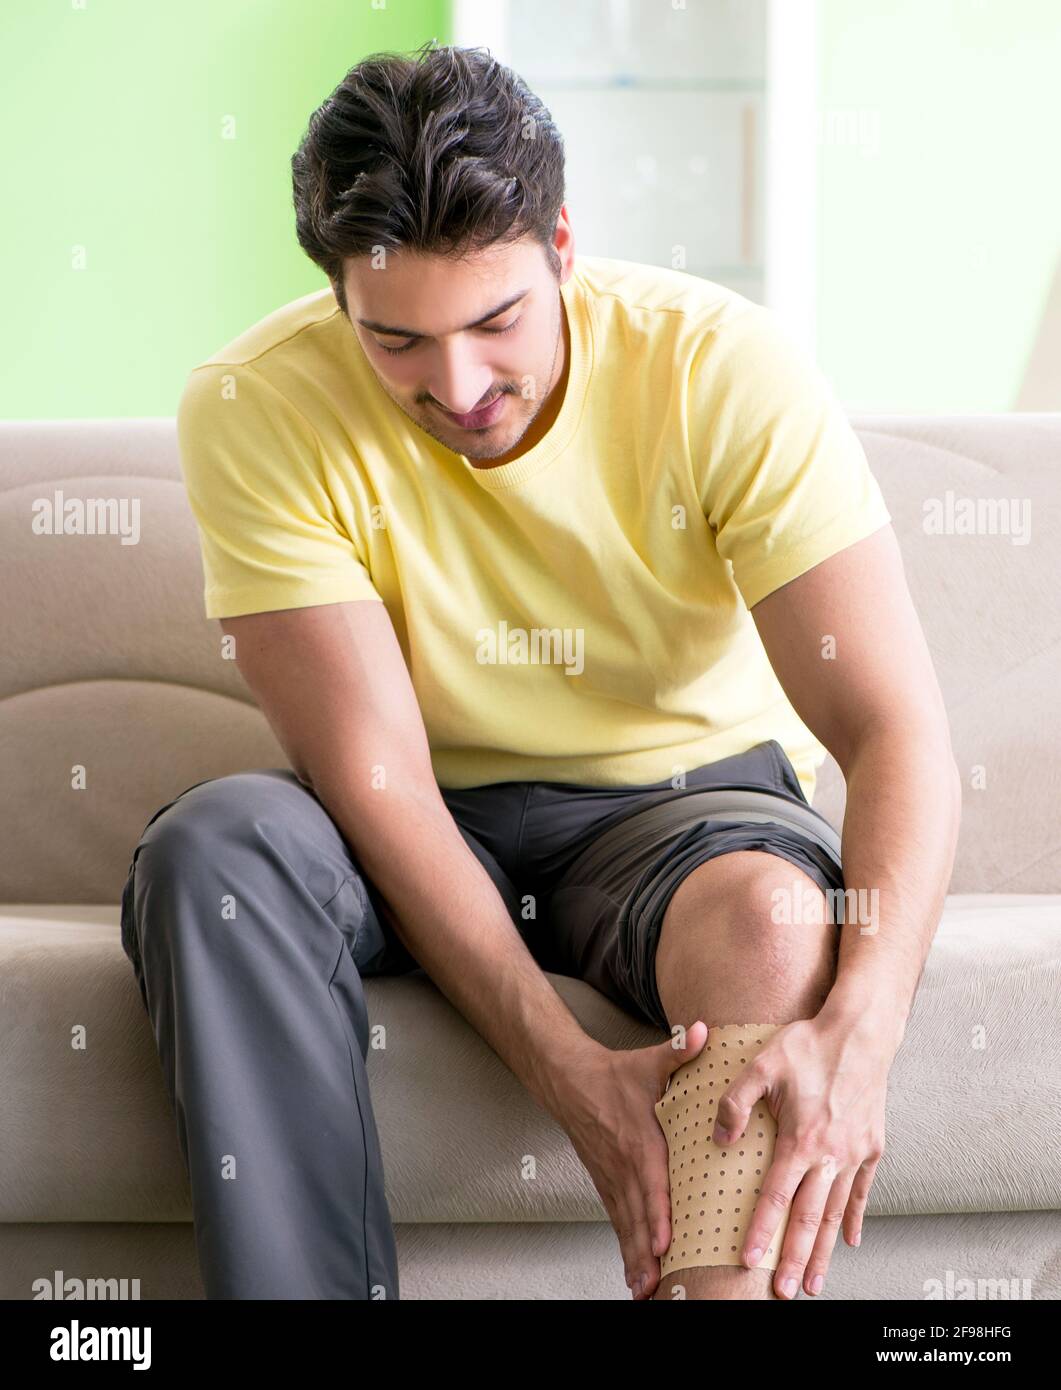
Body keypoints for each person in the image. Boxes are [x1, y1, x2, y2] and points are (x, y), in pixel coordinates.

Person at [120, 41, 961, 1302]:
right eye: (396, 339)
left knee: (771, 921)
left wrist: (865, 1026)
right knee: (215, 852)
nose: (456, 386)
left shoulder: (719, 366)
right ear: (338, 300)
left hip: (680, 807)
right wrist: (567, 1073)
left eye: (495, 321)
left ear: (561, 245)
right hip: (417, 808)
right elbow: (375, 777)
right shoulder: (255, 406)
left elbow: (892, 728)